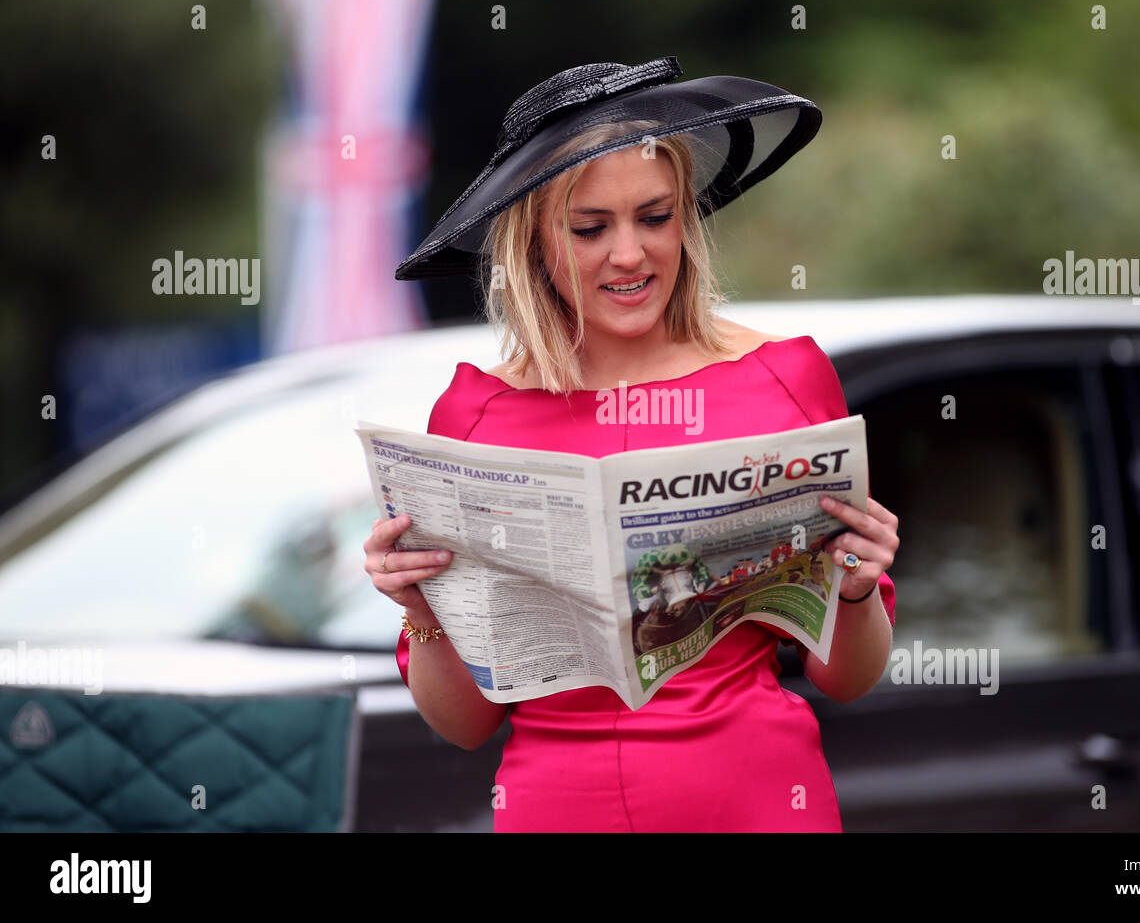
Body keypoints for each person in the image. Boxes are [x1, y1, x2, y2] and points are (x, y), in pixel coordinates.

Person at [362, 57, 899, 832]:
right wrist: (420, 611)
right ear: (535, 242)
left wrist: (854, 590)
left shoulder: (784, 378)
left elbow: (847, 676)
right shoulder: (475, 412)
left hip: (757, 802)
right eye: (590, 228)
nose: (630, 254)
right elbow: (465, 722)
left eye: (656, 216)